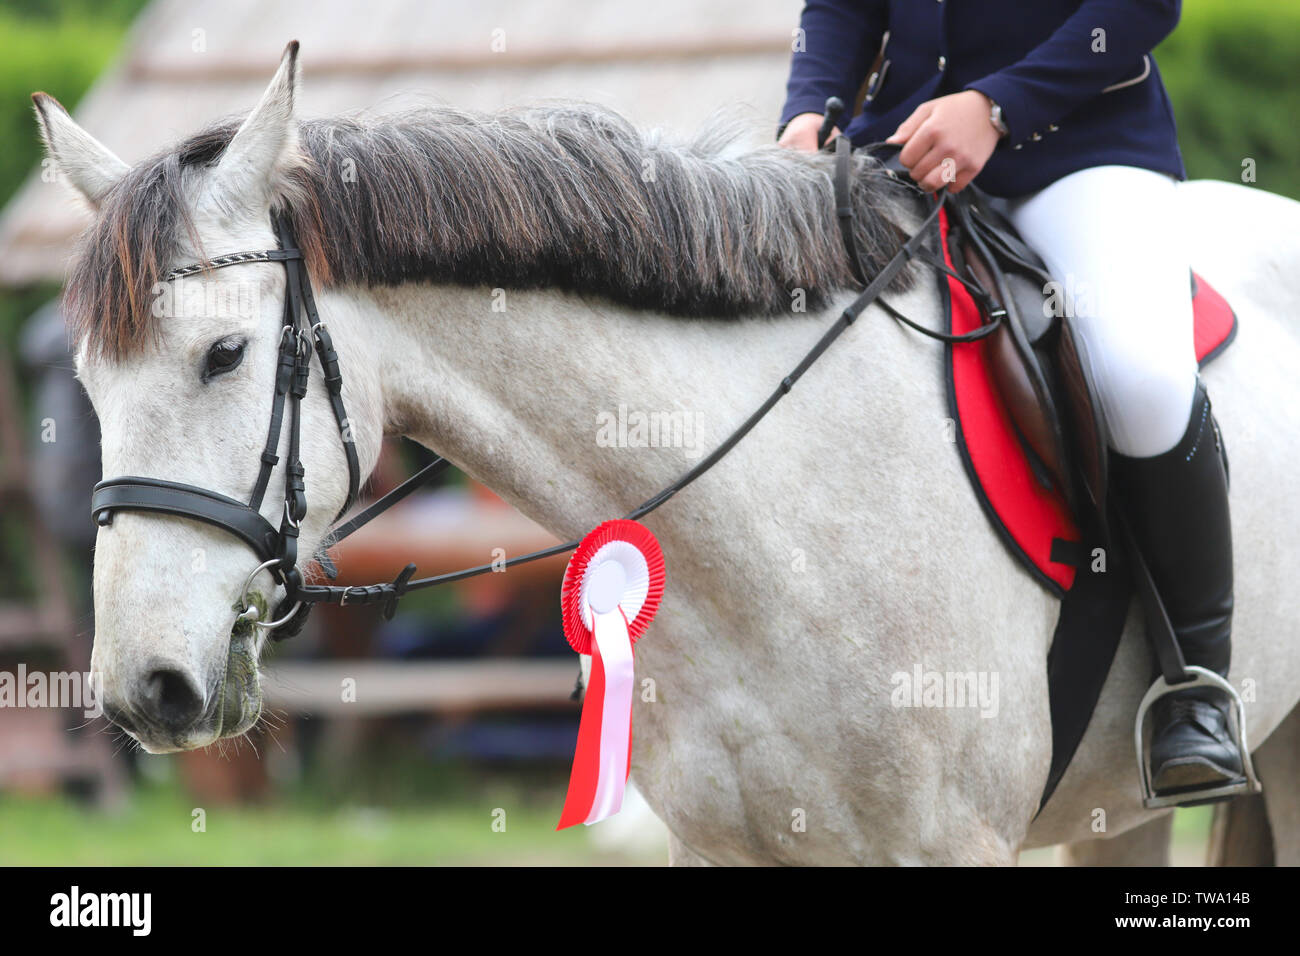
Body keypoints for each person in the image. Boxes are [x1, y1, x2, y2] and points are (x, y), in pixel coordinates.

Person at [778, 1, 1243, 799]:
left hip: (1082, 146)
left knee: (1138, 376)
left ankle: (1197, 688)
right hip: (903, 145)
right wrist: (805, 111)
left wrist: (999, 106)